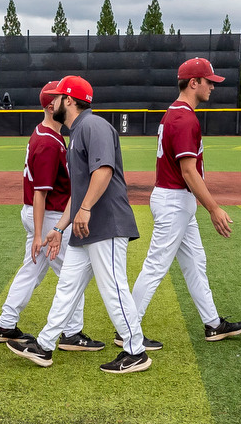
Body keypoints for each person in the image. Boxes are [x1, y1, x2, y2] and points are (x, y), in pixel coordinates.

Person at [9, 77, 152, 373]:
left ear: (70, 101)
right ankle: (46, 345)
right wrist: (60, 227)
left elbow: (103, 170)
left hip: (106, 224)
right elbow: (79, 189)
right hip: (83, 228)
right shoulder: (77, 133)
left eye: (58, 97)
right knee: (67, 286)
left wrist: (85, 209)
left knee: (113, 287)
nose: (53, 102)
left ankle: (136, 351)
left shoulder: (92, 126)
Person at [130, 57, 241, 344]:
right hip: (174, 200)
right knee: (156, 266)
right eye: (208, 81)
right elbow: (188, 171)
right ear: (193, 83)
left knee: (196, 262)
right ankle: (128, 331)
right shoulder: (184, 118)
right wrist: (214, 208)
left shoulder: (175, 113)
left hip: (176, 200)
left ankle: (212, 323)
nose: (213, 87)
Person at [0, 81, 89, 348]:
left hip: (44, 215)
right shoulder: (47, 141)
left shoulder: (48, 134)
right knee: (72, 272)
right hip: (48, 216)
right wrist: (39, 233)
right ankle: (71, 333)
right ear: (50, 106)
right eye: (61, 98)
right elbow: (40, 193)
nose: (66, 102)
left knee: (31, 270)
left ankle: (5, 325)